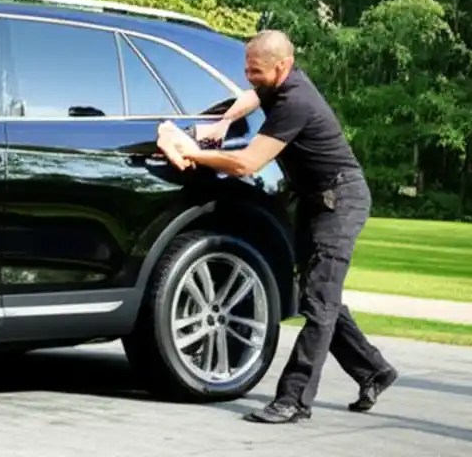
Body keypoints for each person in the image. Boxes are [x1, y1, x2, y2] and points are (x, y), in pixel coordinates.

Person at [167, 29, 397, 424]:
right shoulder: (277, 82)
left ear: (283, 66)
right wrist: (224, 121)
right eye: (247, 70)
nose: (250, 77)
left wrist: (194, 153)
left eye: (256, 70)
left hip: (341, 200)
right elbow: (251, 98)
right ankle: (373, 371)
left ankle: (293, 399)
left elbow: (247, 163)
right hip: (313, 199)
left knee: (320, 302)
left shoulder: (297, 101)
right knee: (314, 294)